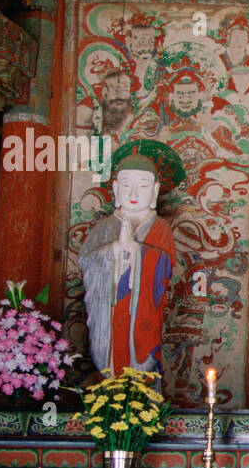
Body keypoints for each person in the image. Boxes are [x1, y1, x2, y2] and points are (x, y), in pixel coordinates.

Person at [79, 140, 184, 377]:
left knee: (142, 373)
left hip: (143, 318)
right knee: (110, 364)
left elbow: (165, 268)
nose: (134, 193)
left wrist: (136, 252)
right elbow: (85, 263)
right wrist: (114, 250)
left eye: (143, 186)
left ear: (155, 191)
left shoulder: (159, 229)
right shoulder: (104, 228)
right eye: (126, 185)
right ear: (115, 190)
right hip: (109, 313)